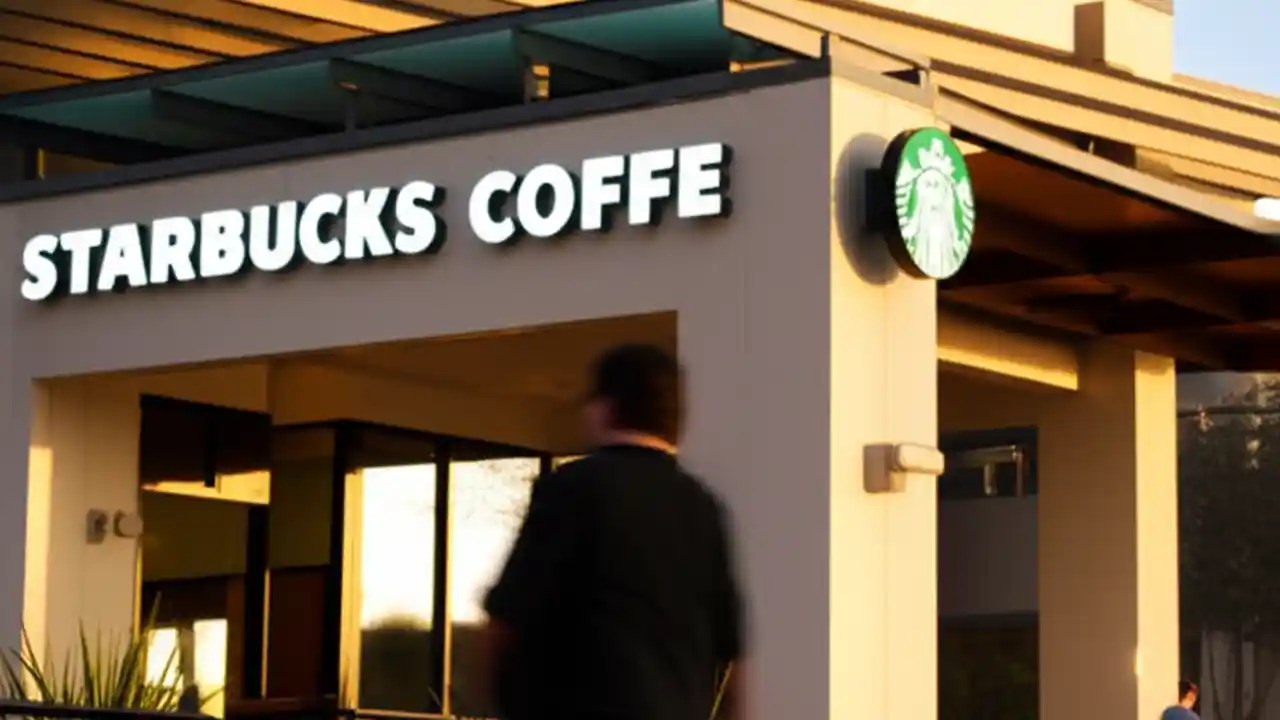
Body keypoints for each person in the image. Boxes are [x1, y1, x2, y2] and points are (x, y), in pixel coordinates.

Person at [482, 343, 748, 720]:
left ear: (605, 408)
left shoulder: (571, 489)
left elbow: (506, 622)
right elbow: (735, 657)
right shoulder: (704, 508)